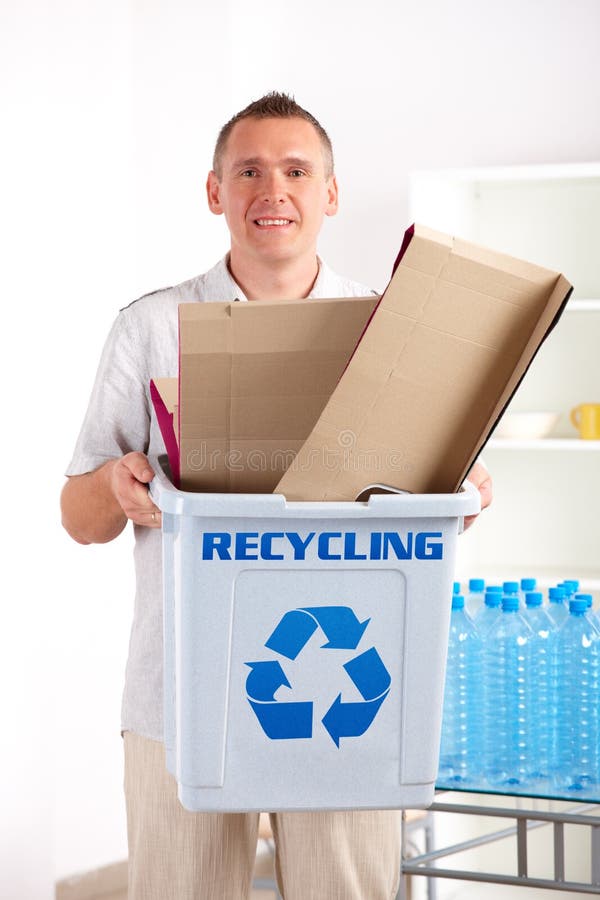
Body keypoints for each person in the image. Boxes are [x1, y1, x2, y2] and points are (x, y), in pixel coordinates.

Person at [61, 92, 493, 900]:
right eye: (249, 171)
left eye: (297, 171)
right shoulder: (153, 326)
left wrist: (466, 486)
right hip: (178, 699)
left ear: (332, 193)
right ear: (214, 191)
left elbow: (439, 495)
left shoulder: (388, 331)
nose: (273, 191)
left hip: (355, 692)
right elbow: (77, 519)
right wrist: (116, 488)